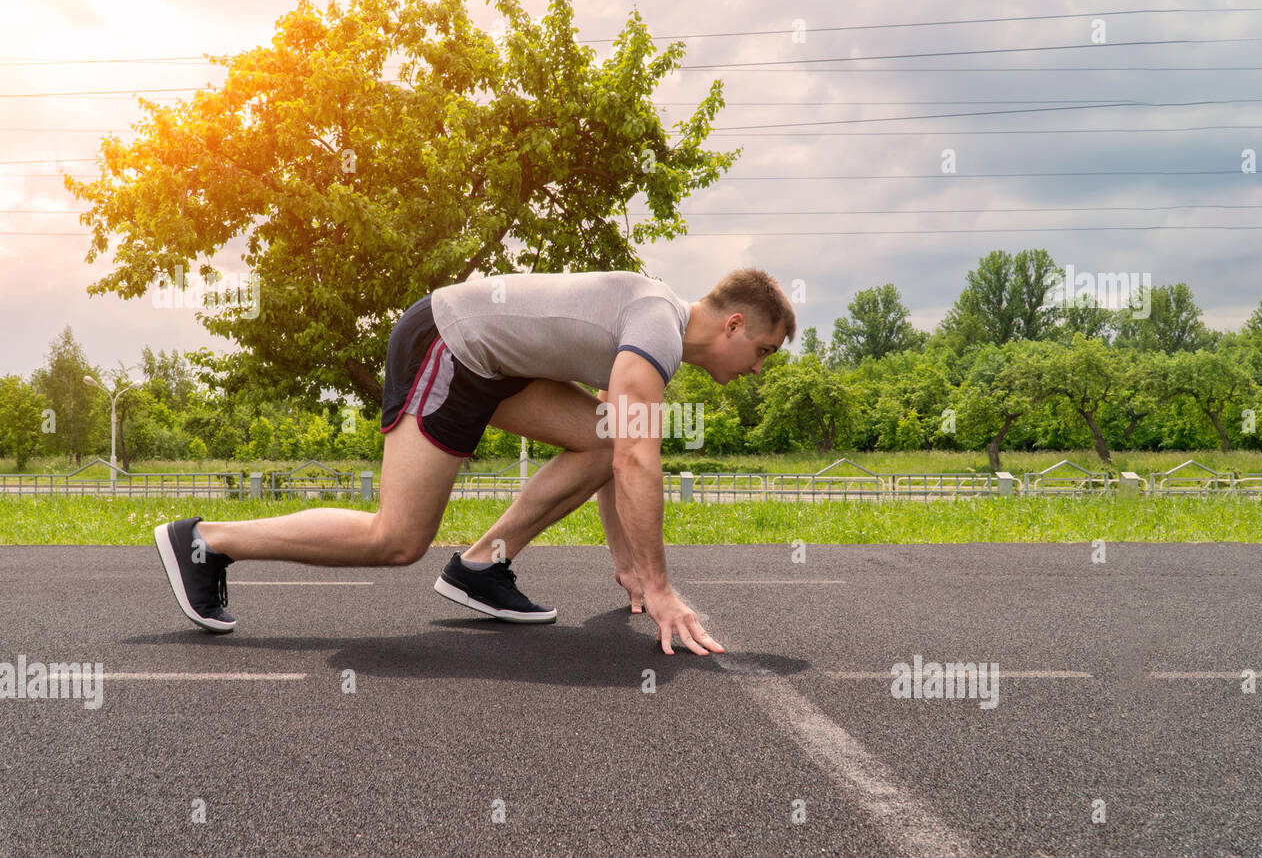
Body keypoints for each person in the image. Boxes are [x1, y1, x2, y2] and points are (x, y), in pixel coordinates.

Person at [154, 268, 796, 655]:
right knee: (397, 538)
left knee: (600, 437)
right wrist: (660, 590)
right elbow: (638, 462)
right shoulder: (656, 328)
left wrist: (627, 566)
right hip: (449, 344)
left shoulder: (650, 326)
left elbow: (613, 452)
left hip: (494, 365)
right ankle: (206, 541)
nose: (758, 368)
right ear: (734, 324)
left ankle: (481, 566)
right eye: (762, 351)